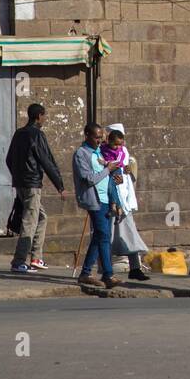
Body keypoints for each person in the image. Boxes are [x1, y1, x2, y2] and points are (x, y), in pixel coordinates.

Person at [5, 103, 66, 273]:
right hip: (32, 184)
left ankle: (36, 257)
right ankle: (18, 261)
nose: (45, 119)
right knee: (29, 221)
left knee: (41, 217)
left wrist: (17, 177)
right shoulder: (37, 135)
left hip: (20, 184)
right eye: (44, 116)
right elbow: (46, 160)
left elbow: (9, 159)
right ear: (39, 116)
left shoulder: (19, 133)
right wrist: (59, 185)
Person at [74, 122, 121, 289]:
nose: (99, 141)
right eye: (96, 137)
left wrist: (115, 175)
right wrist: (108, 169)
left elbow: (108, 171)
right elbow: (89, 178)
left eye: (101, 138)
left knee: (99, 236)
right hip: (94, 200)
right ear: (86, 135)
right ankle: (108, 274)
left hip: (107, 199)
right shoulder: (82, 154)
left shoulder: (99, 152)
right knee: (104, 235)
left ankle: (85, 273)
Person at [104, 125, 149, 282]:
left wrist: (128, 172)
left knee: (130, 234)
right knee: (107, 236)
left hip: (124, 200)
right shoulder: (103, 154)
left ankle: (135, 268)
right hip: (110, 200)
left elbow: (128, 176)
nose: (118, 146)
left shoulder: (124, 154)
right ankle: (106, 270)